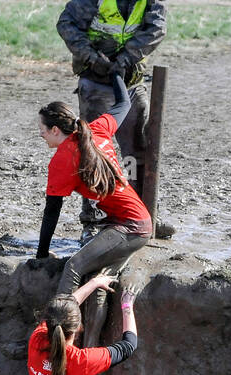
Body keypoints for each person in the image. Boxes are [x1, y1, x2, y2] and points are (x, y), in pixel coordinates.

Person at [37, 73, 152, 347]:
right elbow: (123, 103)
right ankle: (86, 349)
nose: (39, 134)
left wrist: (42, 253)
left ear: (55, 130)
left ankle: (57, 339)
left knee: (74, 267)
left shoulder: (62, 160)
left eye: (42, 129)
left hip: (130, 227)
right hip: (133, 222)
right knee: (98, 283)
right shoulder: (96, 130)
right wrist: (115, 74)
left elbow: (51, 212)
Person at [56, 0, 173, 239]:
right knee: (92, 152)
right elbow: (67, 24)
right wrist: (92, 57)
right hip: (95, 82)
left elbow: (156, 28)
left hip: (131, 82)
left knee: (136, 152)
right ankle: (94, 222)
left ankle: (141, 215)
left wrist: (126, 58)